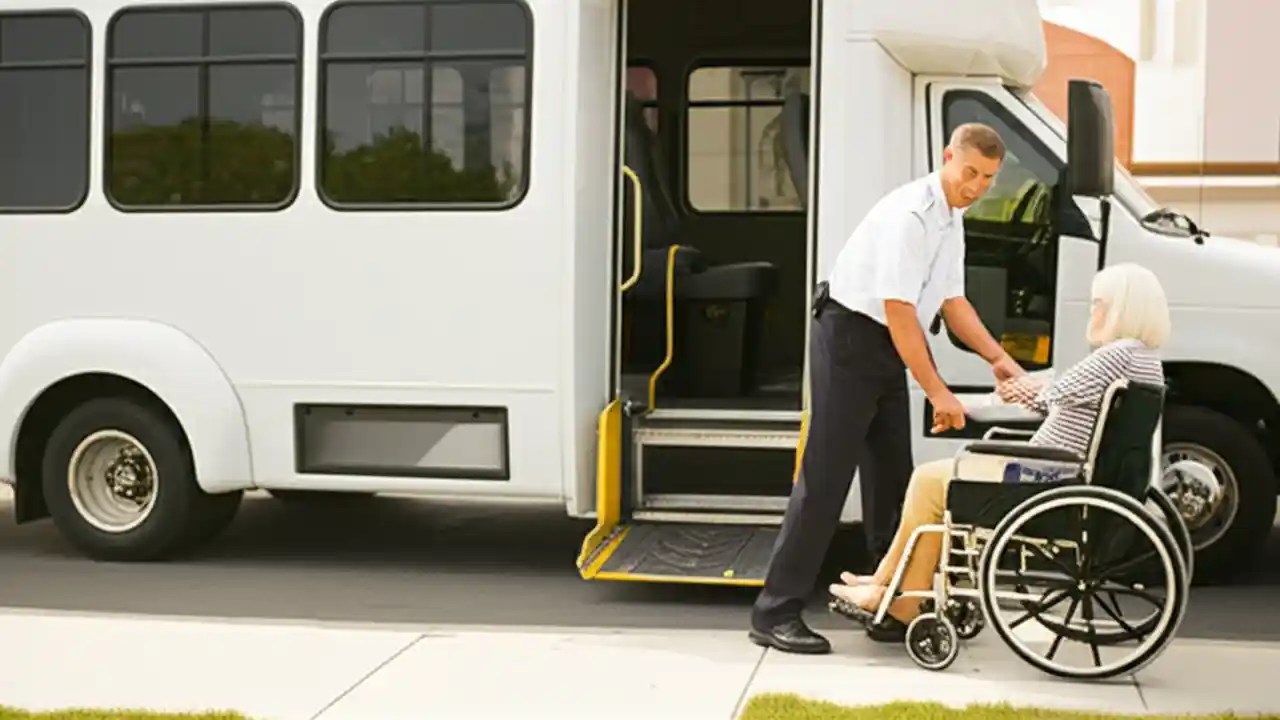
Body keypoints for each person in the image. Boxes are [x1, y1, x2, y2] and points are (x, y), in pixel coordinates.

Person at [749, 123, 1024, 655]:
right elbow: (900, 313)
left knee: (892, 476)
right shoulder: (910, 216)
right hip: (851, 336)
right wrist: (939, 391)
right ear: (948, 157)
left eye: (988, 178)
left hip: (885, 343)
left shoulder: (951, 219)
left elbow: (952, 302)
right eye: (970, 173)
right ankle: (774, 612)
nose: (977, 186)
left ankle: (891, 603)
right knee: (826, 481)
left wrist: (998, 358)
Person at [828, 262, 1171, 641]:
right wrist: (1008, 393)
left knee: (928, 481)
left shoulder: (1117, 354)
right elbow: (1058, 391)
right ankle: (891, 588)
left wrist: (1014, 387)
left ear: (1122, 307)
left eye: (1098, 303)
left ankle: (893, 591)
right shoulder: (1143, 361)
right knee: (936, 487)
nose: (1093, 311)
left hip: (1046, 477)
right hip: (1060, 473)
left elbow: (1050, 394)